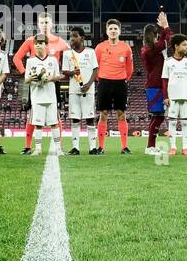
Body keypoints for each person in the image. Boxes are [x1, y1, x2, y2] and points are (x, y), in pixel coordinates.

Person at [12, 11, 68, 153]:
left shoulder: (60, 42)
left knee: (56, 115)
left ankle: (58, 146)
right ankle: (28, 146)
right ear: (38, 24)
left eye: (47, 22)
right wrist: (26, 74)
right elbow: (16, 58)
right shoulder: (31, 40)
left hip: (53, 83)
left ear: (52, 24)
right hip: (35, 84)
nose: (44, 25)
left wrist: (63, 74)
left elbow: (69, 60)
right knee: (33, 115)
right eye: (42, 22)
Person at [94, 18, 134, 154]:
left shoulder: (126, 47)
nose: (113, 31)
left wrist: (124, 78)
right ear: (106, 31)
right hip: (104, 82)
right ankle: (101, 147)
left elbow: (129, 67)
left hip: (120, 82)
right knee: (103, 114)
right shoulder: (99, 47)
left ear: (119, 31)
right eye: (110, 29)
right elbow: (96, 66)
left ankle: (124, 147)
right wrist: (101, 78)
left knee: (121, 113)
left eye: (115, 29)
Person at [140, 9, 173, 153]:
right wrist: (165, 26)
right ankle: (150, 146)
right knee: (157, 116)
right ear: (153, 35)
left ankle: (151, 146)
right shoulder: (150, 49)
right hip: (155, 86)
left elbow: (164, 41)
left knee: (158, 116)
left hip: (157, 85)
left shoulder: (150, 48)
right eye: (157, 35)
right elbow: (168, 40)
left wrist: (163, 28)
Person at [24, 34, 63, 155]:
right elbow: (26, 79)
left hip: (50, 97)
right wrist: (31, 77)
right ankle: (38, 149)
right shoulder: (30, 61)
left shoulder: (53, 60)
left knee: (54, 123)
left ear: (46, 45)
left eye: (41, 43)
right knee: (38, 124)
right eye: (36, 44)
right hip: (36, 97)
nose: (38, 45)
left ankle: (58, 149)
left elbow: (58, 76)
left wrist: (50, 78)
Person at [64, 26, 98, 155]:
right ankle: (75, 148)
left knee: (90, 118)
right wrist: (72, 72)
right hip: (73, 90)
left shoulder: (91, 52)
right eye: (70, 36)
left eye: (74, 36)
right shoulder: (67, 54)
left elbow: (95, 69)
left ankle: (92, 148)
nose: (71, 39)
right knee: (75, 118)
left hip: (88, 90)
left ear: (82, 38)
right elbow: (65, 71)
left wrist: (89, 84)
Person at [161, 34, 187, 157]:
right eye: (184, 45)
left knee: (185, 122)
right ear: (176, 46)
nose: (186, 47)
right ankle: (173, 147)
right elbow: (164, 80)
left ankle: (185, 148)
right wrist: (165, 96)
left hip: (185, 96)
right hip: (173, 97)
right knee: (173, 123)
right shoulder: (168, 62)